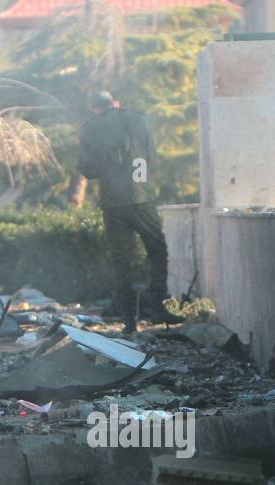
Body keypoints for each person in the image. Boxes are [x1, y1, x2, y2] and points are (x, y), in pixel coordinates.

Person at [77, 91, 169, 331]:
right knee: (157, 250)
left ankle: (128, 322)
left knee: (121, 262)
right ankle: (158, 309)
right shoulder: (138, 119)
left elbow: (87, 170)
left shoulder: (88, 129)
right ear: (115, 103)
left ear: (94, 108)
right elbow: (152, 158)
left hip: (112, 204)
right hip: (140, 198)